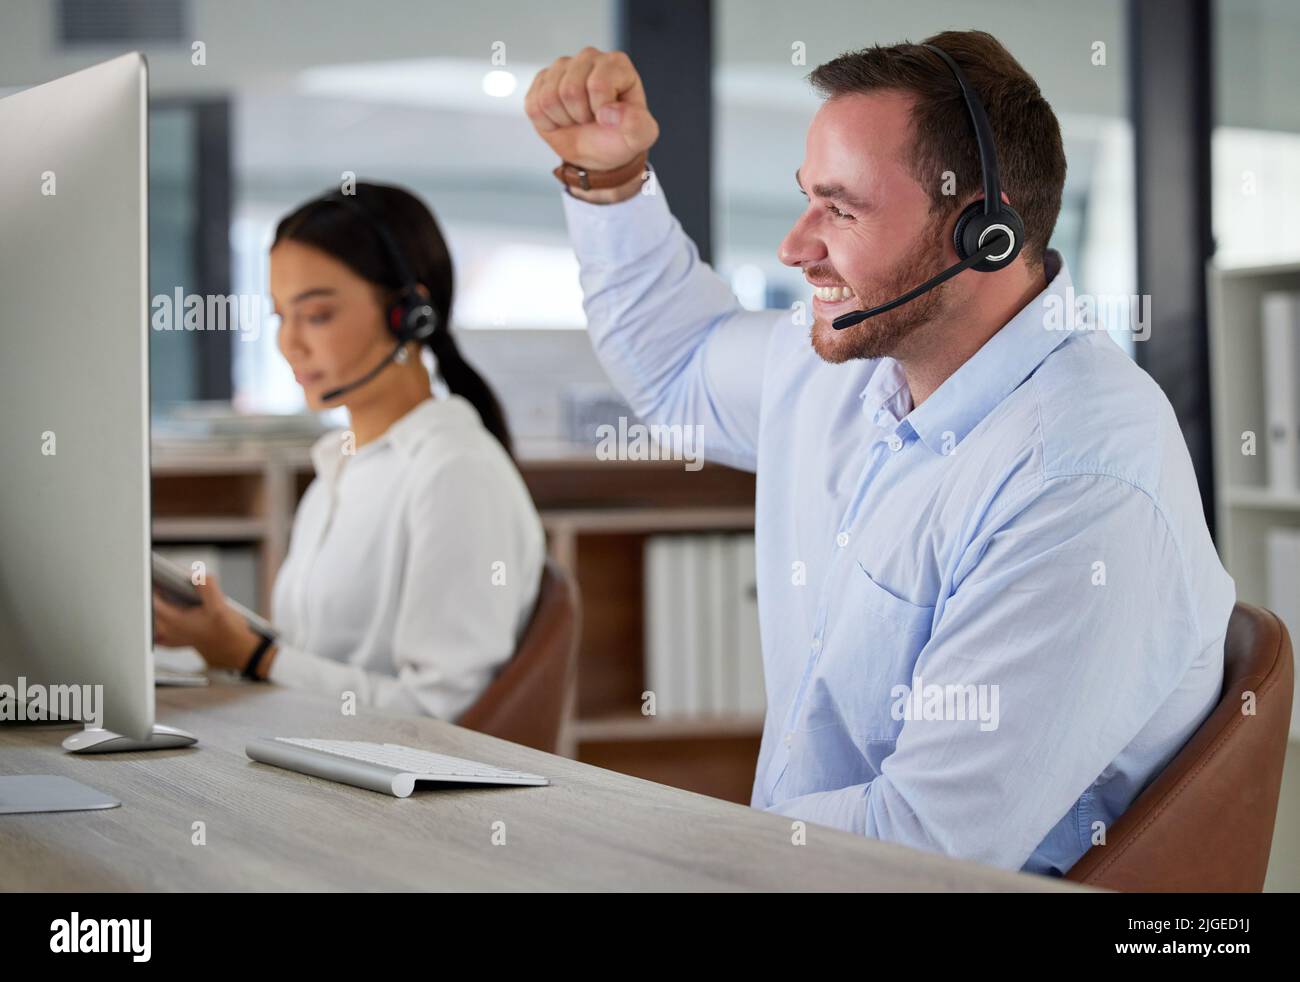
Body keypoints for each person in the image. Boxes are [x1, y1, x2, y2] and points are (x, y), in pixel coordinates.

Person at [524, 32, 1235, 875]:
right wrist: (609, 182)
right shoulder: (855, 363)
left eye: (842, 208)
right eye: (805, 200)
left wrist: (657, 851)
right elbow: (678, 364)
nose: (793, 247)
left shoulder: (1078, 476)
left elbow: (924, 848)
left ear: (985, 234)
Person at [152, 182, 547, 721]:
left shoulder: (455, 472)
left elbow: (444, 713)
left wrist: (258, 657)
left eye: (316, 315)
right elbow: (320, 663)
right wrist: (234, 645)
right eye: (279, 317)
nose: (289, 344)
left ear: (409, 316)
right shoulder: (341, 467)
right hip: (313, 761)